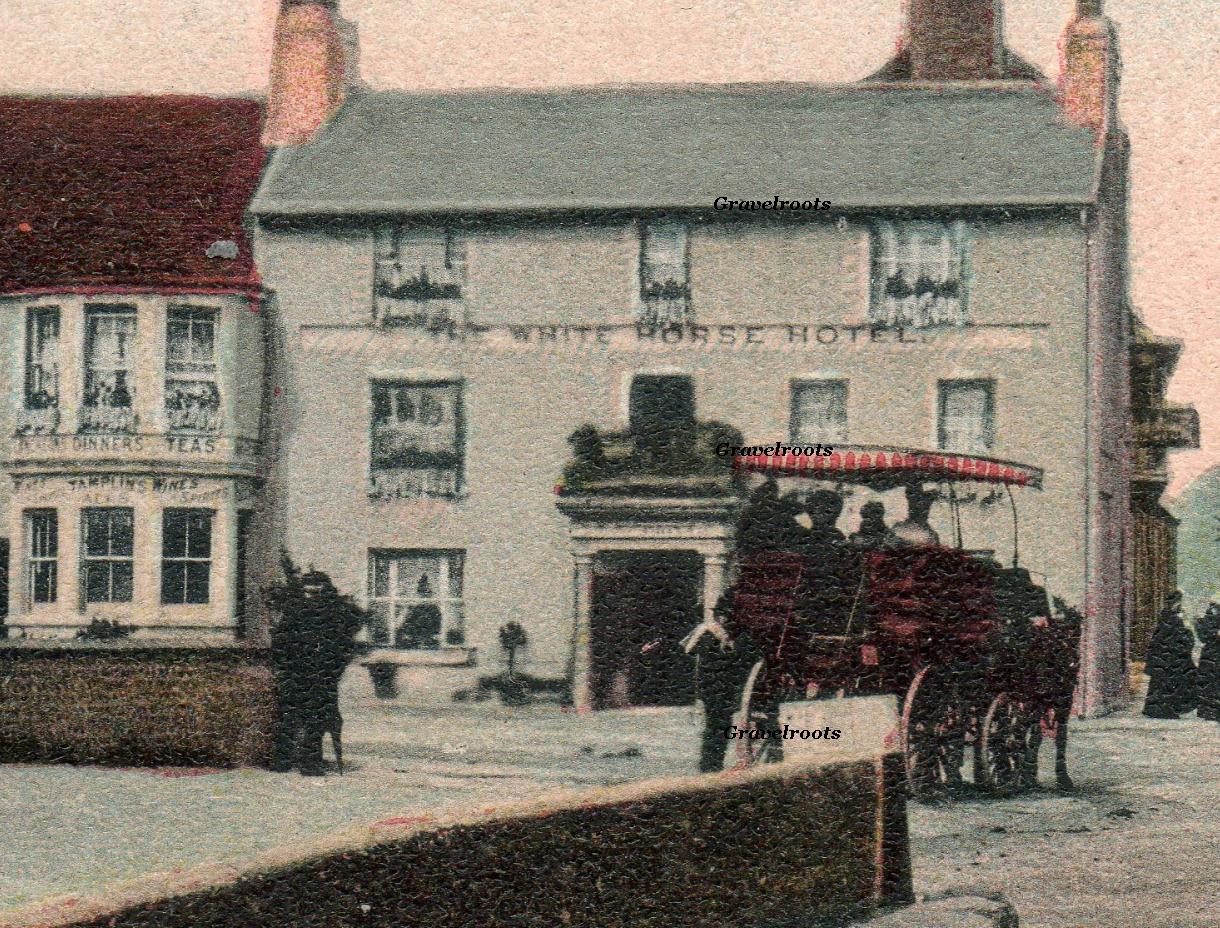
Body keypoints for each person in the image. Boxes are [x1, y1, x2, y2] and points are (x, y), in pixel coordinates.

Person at [269, 561, 366, 775]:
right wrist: (284, 667)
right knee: (289, 717)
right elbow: (280, 641)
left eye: (316, 590)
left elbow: (344, 646)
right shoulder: (294, 611)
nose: (311, 595)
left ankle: (311, 762)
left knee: (318, 720)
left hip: (323, 675)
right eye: (307, 591)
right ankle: (282, 760)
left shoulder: (335, 614)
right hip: (296, 673)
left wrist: (333, 670)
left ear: (325, 590)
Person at [1142, 590, 1198, 719]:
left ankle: (1156, 708)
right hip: (1169, 658)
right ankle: (1165, 709)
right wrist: (1188, 632)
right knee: (1173, 682)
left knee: (1161, 683)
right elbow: (1180, 638)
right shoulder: (1173, 619)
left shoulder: (1166, 617)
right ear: (1176, 603)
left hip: (1163, 658)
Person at [1195, 602, 1220, 722]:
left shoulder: (1205, 620)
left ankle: (1208, 711)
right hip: (1213, 654)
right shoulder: (1211, 620)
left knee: (1209, 683)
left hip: (1209, 654)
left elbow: (1203, 636)